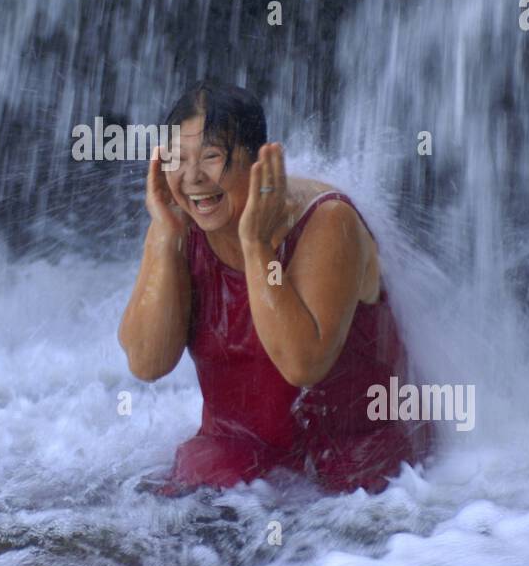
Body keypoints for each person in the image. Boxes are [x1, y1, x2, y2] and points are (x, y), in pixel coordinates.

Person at [118, 80, 434, 495]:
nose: (192, 177)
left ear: (259, 162)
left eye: (212, 157)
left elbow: (303, 363)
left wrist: (256, 244)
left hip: (362, 473)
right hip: (238, 454)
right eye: (177, 159)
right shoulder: (180, 224)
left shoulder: (327, 221)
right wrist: (164, 235)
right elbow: (147, 362)